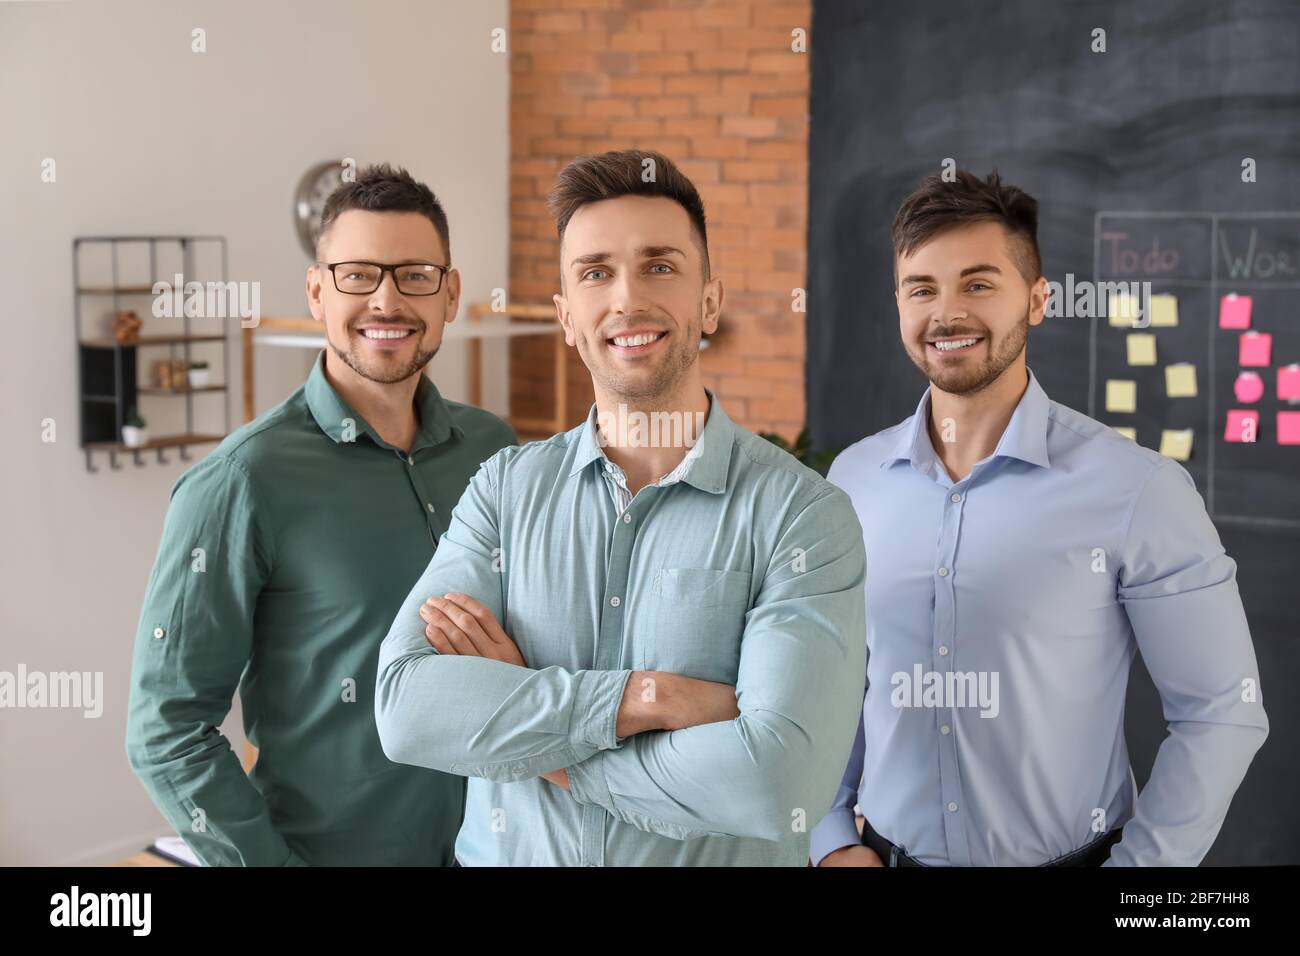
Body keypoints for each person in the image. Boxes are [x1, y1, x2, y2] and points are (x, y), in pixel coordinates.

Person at [375, 149, 866, 866]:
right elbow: (408, 710)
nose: (628, 299)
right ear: (567, 316)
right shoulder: (504, 492)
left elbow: (778, 783)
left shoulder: (802, 516)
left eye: (660, 265)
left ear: (709, 303)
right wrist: (649, 698)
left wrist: (541, 742)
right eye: (596, 272)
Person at [811, 169, 1268, 867]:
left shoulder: (1139, 490)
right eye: (922, 288)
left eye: (979, 283)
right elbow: (835, 683)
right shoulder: (852, 481)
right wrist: (830, 835)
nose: (948, 313)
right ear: (899, 304)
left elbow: (1221, 712)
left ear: (1038, 299)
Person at [126, 164, 516, 865]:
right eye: (358, 275)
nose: (388, 300)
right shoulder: (240, 481)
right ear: (316, 292)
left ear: (451, 294)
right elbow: (166, 728)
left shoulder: (496, 451)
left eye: (416, 275)